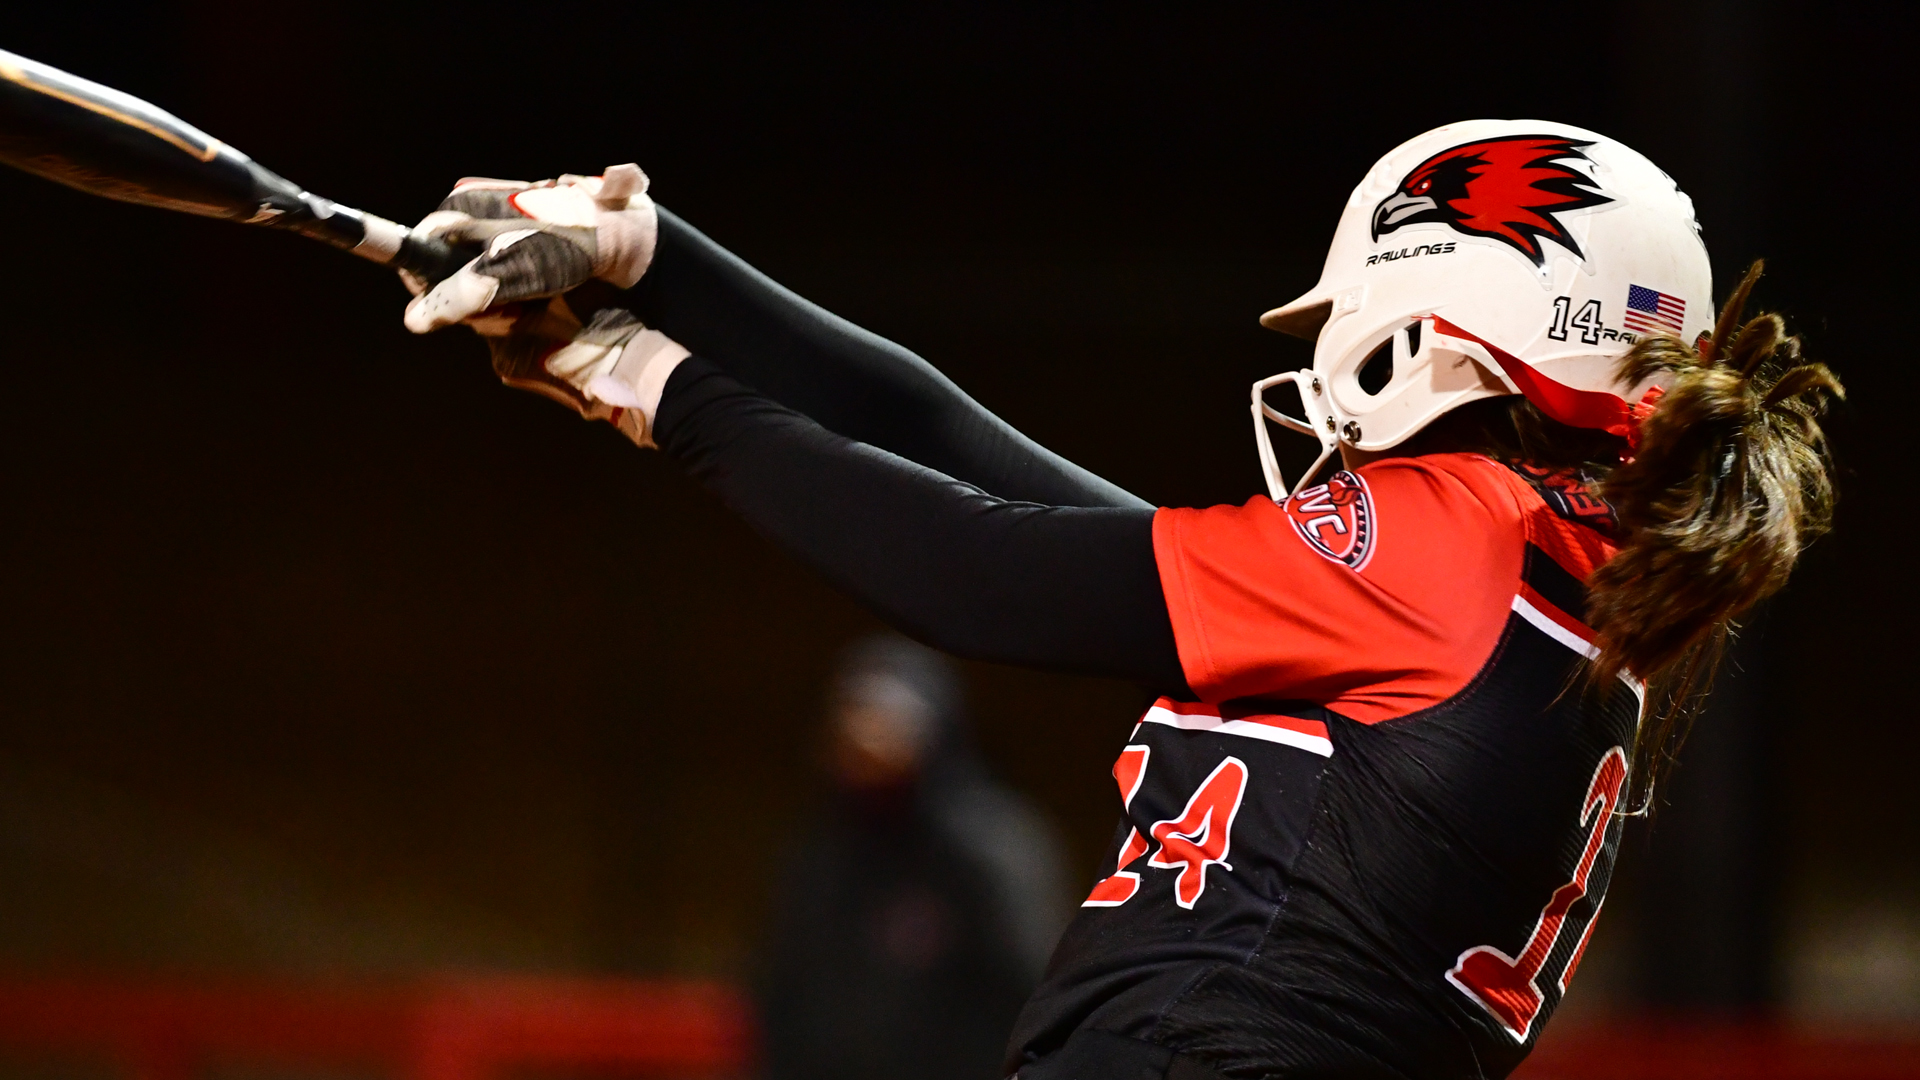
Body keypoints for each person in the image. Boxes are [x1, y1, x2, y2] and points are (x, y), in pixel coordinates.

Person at [397, 121, 1842, 1079]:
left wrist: (640, 381)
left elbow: (978, 569)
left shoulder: (1440, 545)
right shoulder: (1534, 576)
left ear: (1464, 321)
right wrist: (656, 262)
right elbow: (976, 463)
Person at [757, 635, 1069, 1080]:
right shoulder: (822, 852)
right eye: (852, 714)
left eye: (887, 715)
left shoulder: (992, 846)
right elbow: (781, 997)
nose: (865, 734)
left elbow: (1036, 993)